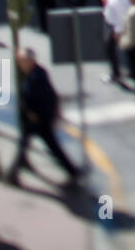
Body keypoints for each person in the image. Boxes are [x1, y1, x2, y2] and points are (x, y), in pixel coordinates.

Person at [8, 49, 81, 186]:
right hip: (33, 120)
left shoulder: (37, 76)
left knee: (51, 146)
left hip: (38, 120)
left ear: (30, 61)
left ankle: (73, 173)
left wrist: (36, 114)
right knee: (27, 144)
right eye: (19, 62)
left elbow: (45, 98)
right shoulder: (35, 74)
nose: (20, 65)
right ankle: (14, 171)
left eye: (22, 61)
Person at [101, 0, 131, 88]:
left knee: (110, 48)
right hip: (121, 25)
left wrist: (118, 31)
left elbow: (120, 14)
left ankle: (116, 74)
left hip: (118, 26)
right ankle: (131, 71)